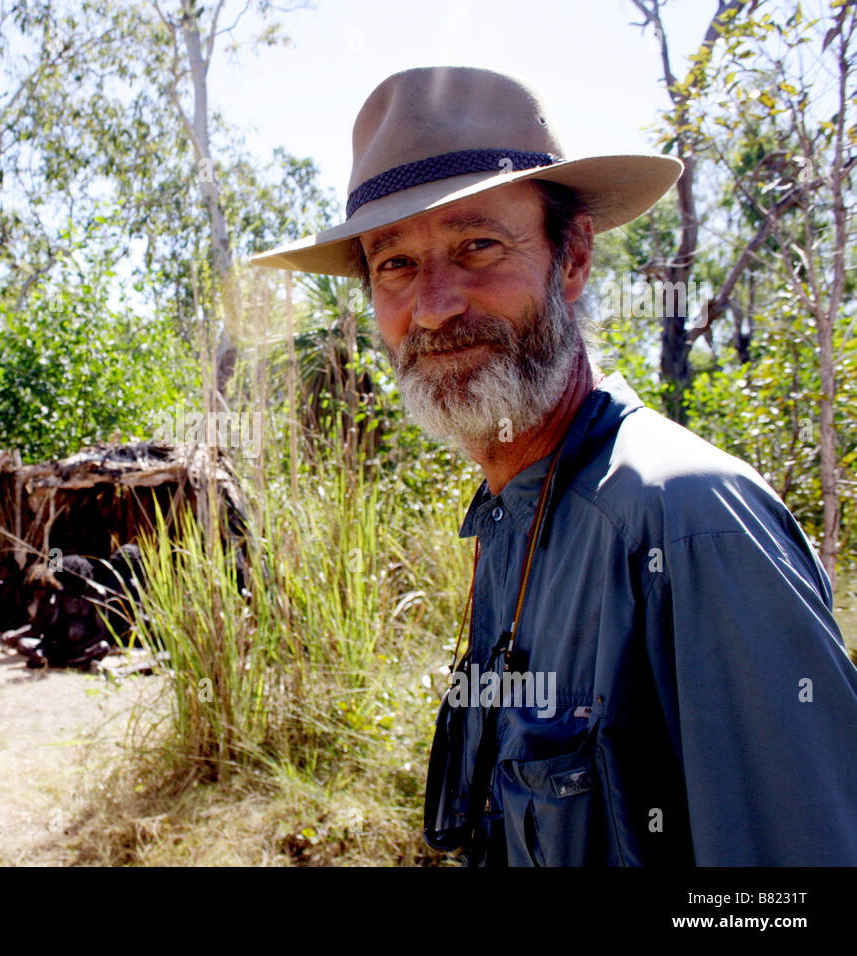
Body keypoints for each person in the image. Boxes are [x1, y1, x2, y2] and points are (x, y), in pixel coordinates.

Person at [251, 66, 857, 866]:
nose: (434, 304)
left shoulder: (688, 519)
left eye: (478, 245)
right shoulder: (514, 512)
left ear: (572, 260)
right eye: (394, 264)